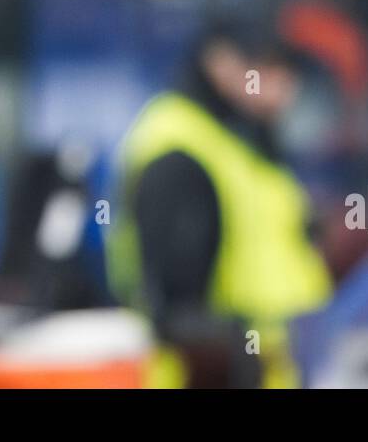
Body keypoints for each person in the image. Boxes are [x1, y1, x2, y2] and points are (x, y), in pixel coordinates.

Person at [104, 19, 332, 388]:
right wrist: (242, 357)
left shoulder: (240, 142)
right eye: (269, 67)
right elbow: (176, 312)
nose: (286, 86)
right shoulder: (181, 152)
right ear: (221, 64)